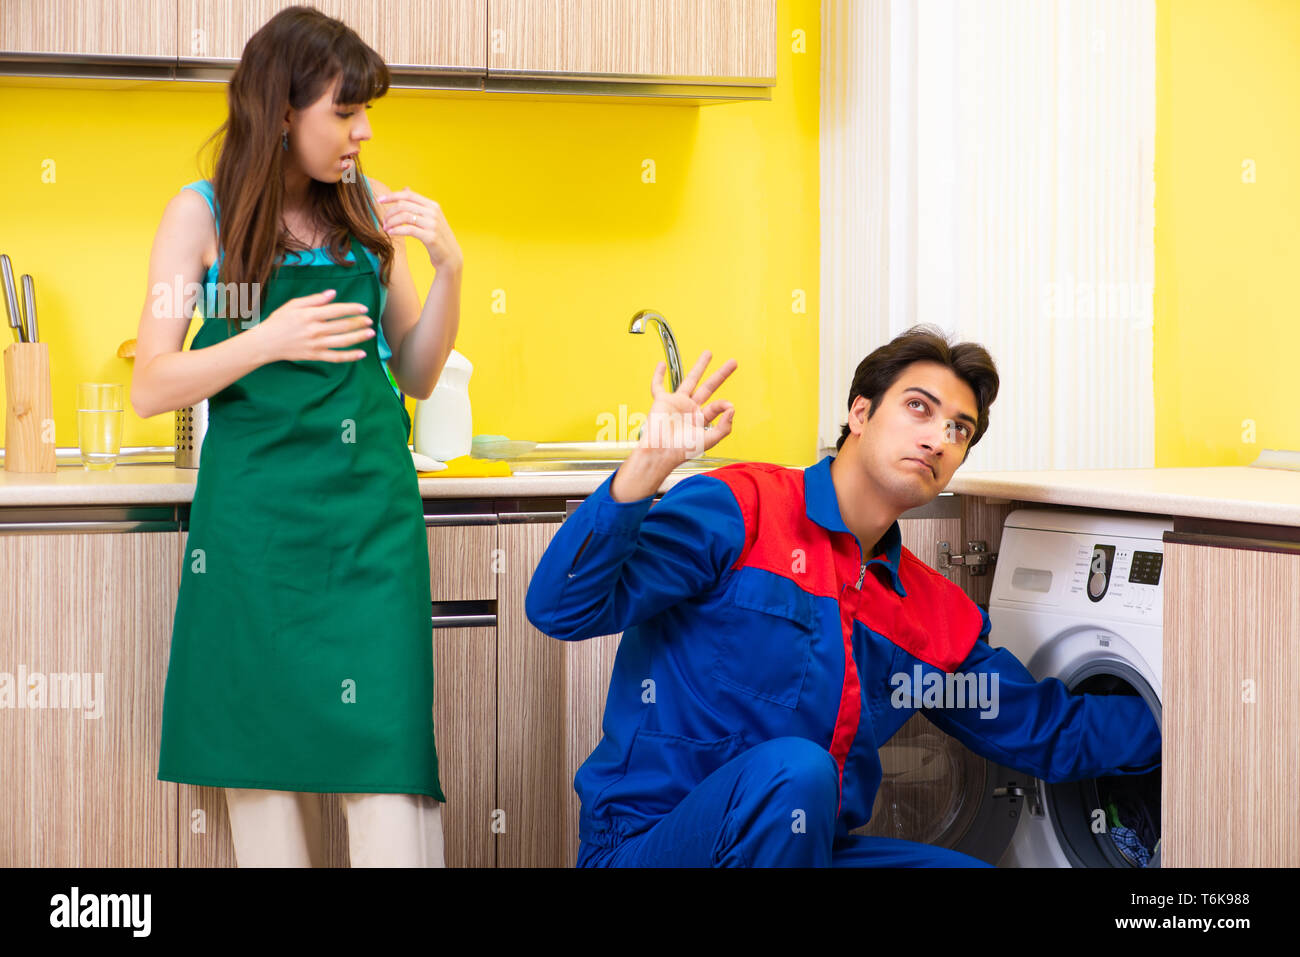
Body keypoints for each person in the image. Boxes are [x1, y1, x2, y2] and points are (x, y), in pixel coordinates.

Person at [524, 324, 1162, 867]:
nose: (938, 437)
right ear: (860, 412)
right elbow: (561, 606)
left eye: (959, 429)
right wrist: (646, 467)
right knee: (797, 774)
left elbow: (1046, 730)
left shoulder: (930, 612)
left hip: (804, 851)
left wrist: (1185, 723)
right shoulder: (740, 510)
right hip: (650, 846)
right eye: (919, 407)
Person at [132, 7, 463, 867]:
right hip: (255, 540)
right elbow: (151, 381)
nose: (365, 130)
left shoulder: (360, 210)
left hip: (370, 537)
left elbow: (420, 373)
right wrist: (263, 339)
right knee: (264, 774)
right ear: (282, 112)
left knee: (391, 771)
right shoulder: (198, 217)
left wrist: (450, 268)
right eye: (344, 112)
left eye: (366, 112)